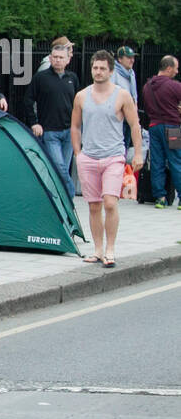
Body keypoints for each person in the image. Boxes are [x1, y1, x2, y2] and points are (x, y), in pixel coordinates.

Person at [72, 50, 143, 268]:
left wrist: (138, 152)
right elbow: (75, 126)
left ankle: (110, 249)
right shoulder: (82, 96)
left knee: (110, 203)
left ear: (111, 71)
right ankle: (98, 250)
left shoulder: (122, 95)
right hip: (89, 157)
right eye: (95, 67)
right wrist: (78, 154)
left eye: (103, 68)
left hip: (113, 156)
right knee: (94, 206)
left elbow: (134, 125)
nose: (98, 71)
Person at [24, 36, 80, 202]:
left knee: (64, 167)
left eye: (61, 58)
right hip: (50, 131)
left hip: (69, 131)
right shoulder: (41, 78)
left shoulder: (73, 78)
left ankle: (59, 199)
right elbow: (28, 100)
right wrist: (34, 122)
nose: (57, 60)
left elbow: (78, 102)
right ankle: (69, 196)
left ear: (67, 60)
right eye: (55, 57)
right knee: (59, 167)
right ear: (50, 58)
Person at [140, 55, 181, 208]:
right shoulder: (175, 86)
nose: (177, 72)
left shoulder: (147, 86)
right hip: (173, 128)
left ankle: (160, 198)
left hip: (154, 127)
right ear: (169, 68)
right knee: (177, 161)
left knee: (157, 162)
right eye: (176, 68)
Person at [113, 46, 143, 161]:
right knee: (119, 152)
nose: (132, 60)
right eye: (128, 57)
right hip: (119, 120)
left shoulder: (131, 73)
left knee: (125, 151)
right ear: (120, 59)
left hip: (129, 119)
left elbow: (134, 96)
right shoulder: (114, 73)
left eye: (133, 57)